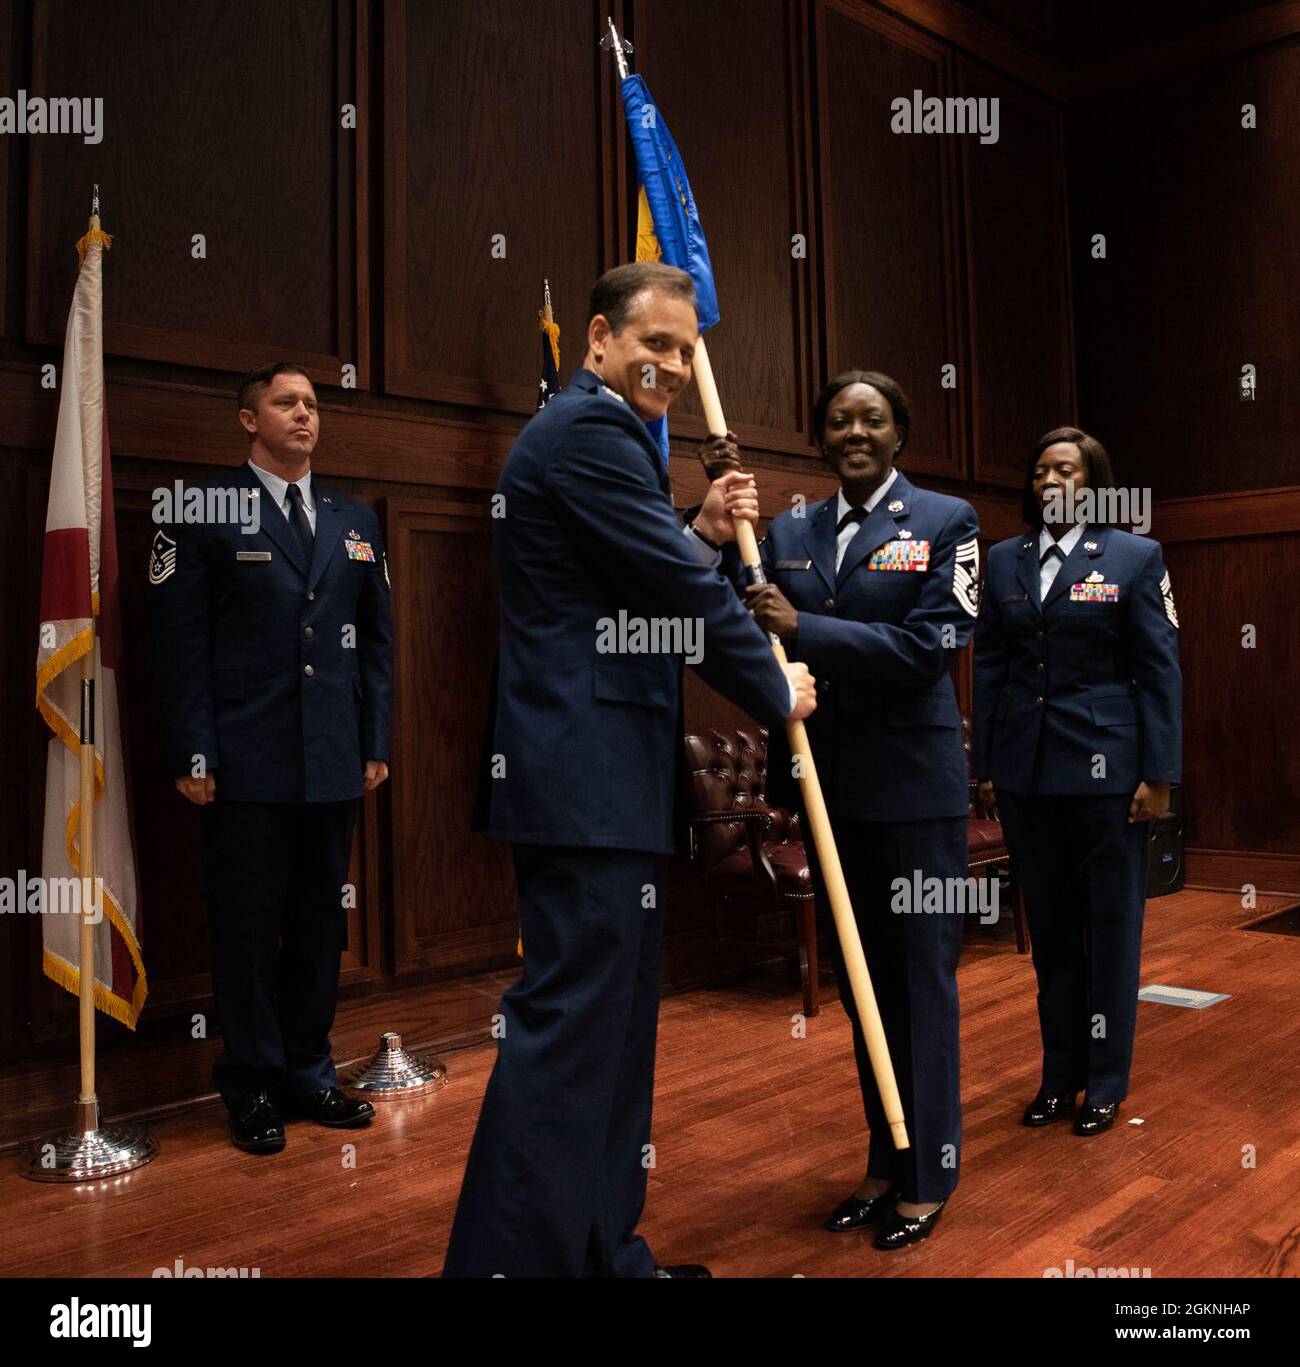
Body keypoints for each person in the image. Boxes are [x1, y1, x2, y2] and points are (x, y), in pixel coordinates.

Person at [444, 261, 816, 1279]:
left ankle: (603, 1252)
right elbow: (679, 602)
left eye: (686, 351)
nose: (674, 365)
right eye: (656, 343)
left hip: (603, 781)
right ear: (598, 339)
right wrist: (774, 688)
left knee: (609, 1037)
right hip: (581, 781)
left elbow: (635, 590)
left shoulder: (598, 439)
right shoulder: (591, 432)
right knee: (569, 1037)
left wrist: (695, 538)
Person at [730, 370, 981, 1250]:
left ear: (899, 433)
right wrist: (724, 521)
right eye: (838, 420)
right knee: (862, 991)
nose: (855, 431)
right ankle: (885, 1158)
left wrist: (804, 629)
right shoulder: (789, 529)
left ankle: (931, 1169)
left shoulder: (950, 523)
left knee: (921, 983)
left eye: (873, 418)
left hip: (917, 796)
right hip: (829, 793)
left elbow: (929, 646)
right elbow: (741, 605)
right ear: (820, 436)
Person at [150, 361, 393, 1152]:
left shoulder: (353, 515)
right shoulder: (200, 507)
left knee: (322, 923)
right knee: (248, 928)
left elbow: (377, 648)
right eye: (287, 403)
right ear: (248, 419)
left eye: (314, 405)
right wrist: (193, 750)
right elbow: (180, 643)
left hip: (331, 758)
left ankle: (309, 1071)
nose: (304, 415)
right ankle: (251, 1082)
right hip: (244, 760)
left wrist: (375, 742)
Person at [972, 426, 1181, 1137]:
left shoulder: (1134, 555)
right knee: (1054, 934)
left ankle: (1105, 1082)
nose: (1051, 480)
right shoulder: (1004, 560)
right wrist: (988, 767)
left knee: (1111, 929)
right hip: (1028, 775)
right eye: (1040, 471)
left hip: (1108, 775)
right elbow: (991, 668)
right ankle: (1059, 1075)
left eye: (1067, 469)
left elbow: (1158, 671)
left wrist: (1160, 774)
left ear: (1094, 482)